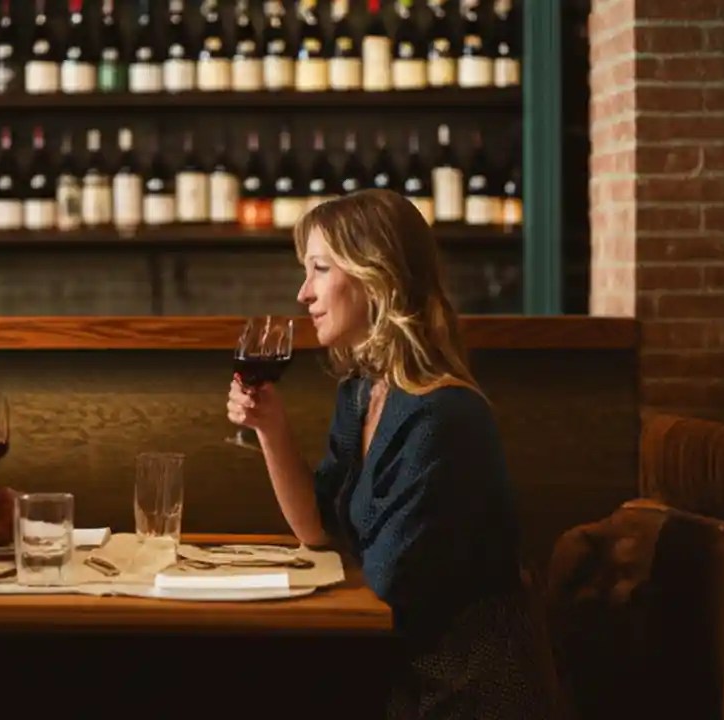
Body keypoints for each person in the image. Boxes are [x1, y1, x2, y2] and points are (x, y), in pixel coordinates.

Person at [226, 189, 553, 719]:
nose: (303, 293)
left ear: (376, 276)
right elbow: (317, 528)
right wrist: (271, 427)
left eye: (319, 269)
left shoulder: (444, 416)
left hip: (466, 690)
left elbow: (387, 577)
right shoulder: (363, 392)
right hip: (404, 674)